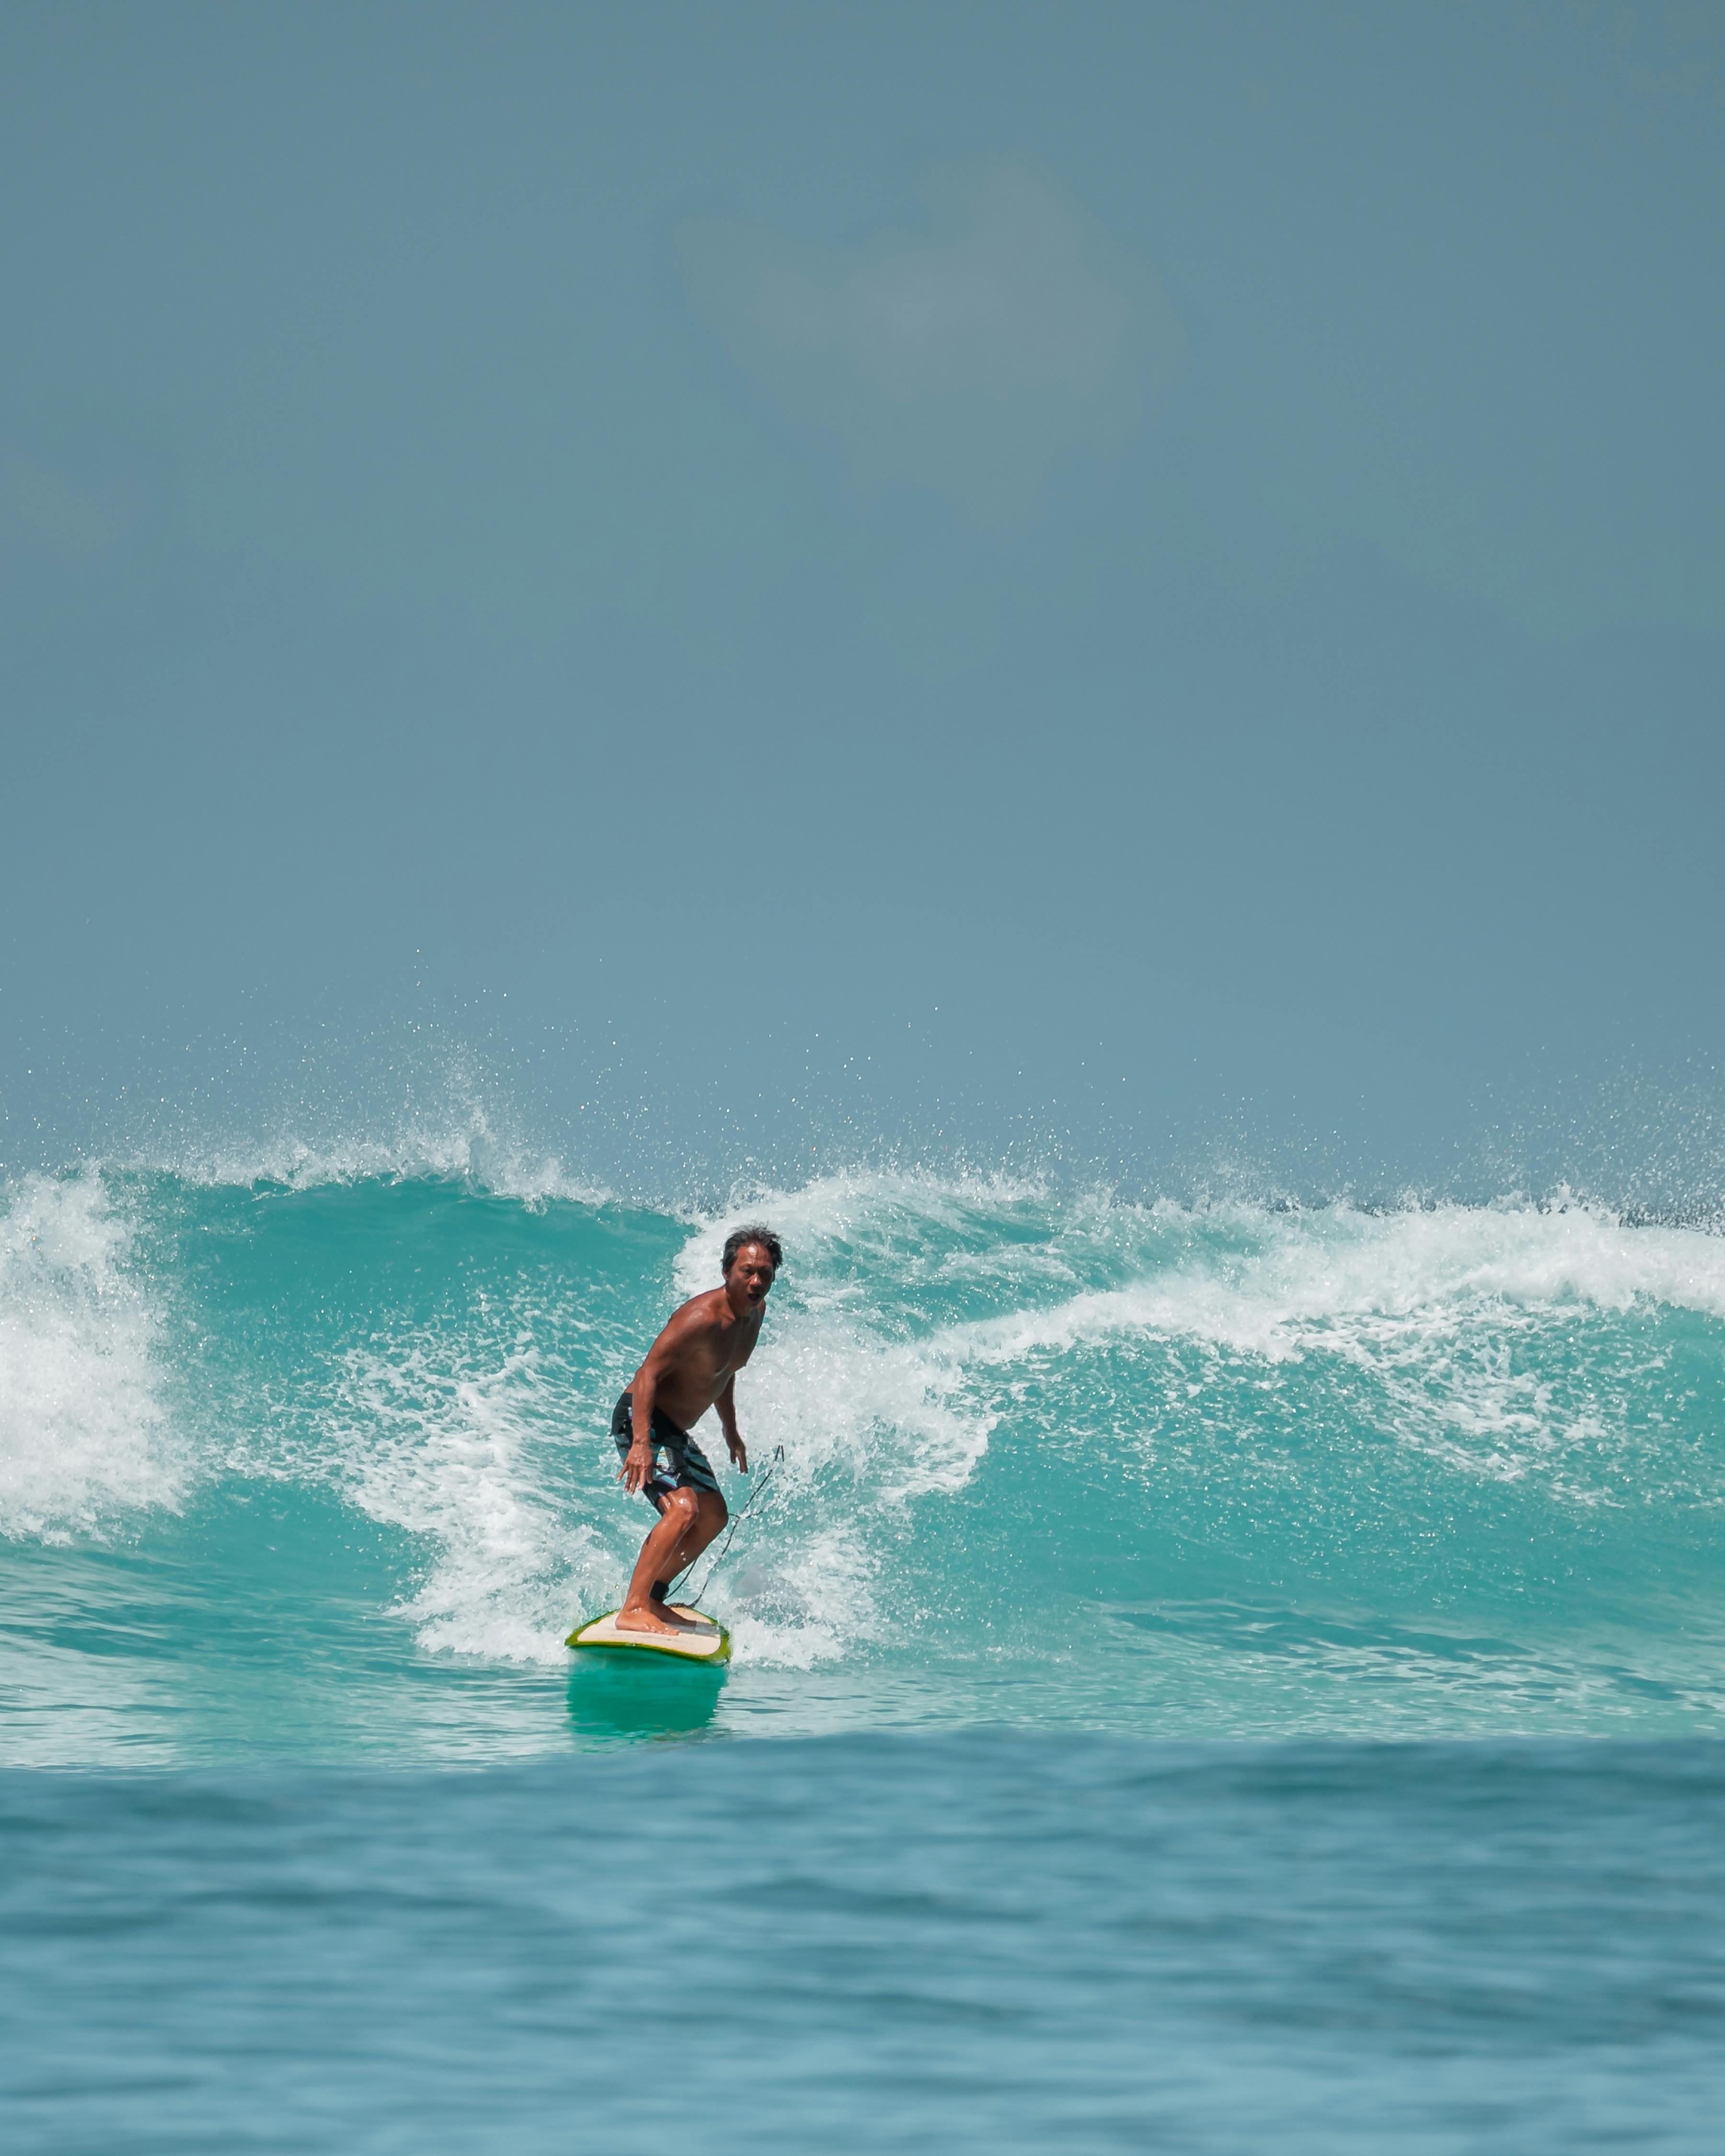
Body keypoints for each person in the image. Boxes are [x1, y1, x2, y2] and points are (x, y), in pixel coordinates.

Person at [610, 1225, 782, 1635]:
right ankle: (632, 1608)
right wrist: (639, 1443)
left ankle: (654, 1597)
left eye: (766, 1274)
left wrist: (731, 1430)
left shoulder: (755, 1316)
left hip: (673, 1431)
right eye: (747, 1271)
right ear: (727, 1273)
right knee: (684, 1508)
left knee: (714, 1515)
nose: (756, 1281)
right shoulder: (701, 1318)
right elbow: (648, 1373)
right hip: (643, 1417)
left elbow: (724, 1373)